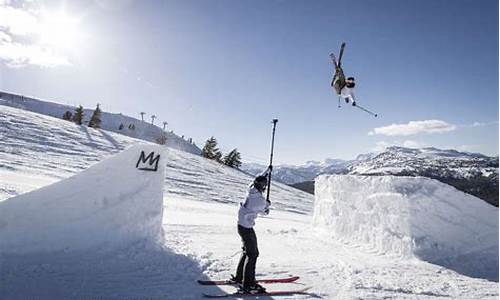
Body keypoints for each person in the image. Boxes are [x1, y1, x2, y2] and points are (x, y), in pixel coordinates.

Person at [231, 166, 272, 294]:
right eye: (264, 186)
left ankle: (240, 277)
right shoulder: (259, 201)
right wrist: (268, 204)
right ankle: (248, 284)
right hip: (247, 228)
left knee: (247, 251)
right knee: (253, 254)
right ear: (262, 187)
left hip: (241, 225)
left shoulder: (251, 189)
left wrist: (267, 171)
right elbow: (265, 211)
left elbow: (258, 178)